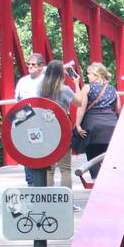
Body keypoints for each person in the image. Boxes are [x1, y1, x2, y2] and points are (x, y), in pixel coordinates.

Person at [72, 62, 121, 182]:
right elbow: (118, 108)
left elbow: (82, 107)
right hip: (111, 126)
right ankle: (111, 179)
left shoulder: (88, 87)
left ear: (97, 75)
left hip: (93, 126)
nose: (87, 76)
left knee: (93, 154)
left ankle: (96, 180)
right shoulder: (112, 89)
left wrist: (77, 124)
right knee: (108, 155)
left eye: (89, 74)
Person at [35, 59, 76, 190]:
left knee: (49, 168)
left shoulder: (41, 89)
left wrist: (57, 67)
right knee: (65, 169)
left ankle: (48, 201)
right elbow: (79, 103)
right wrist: (76, 83)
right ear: (61, 74)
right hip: (63, 129)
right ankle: (66, 201)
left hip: (46, 130)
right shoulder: (65, 90)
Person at [14, 53, 47, 184]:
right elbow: (17, 100)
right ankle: (30, 181)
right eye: (29, 64)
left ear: (41, 66)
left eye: (33, 64)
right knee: (26, 150)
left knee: (39, 150)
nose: (30, 67)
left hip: (41, 118)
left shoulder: (46, 81)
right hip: (25, 116)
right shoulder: (23, 81)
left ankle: (42, 180)